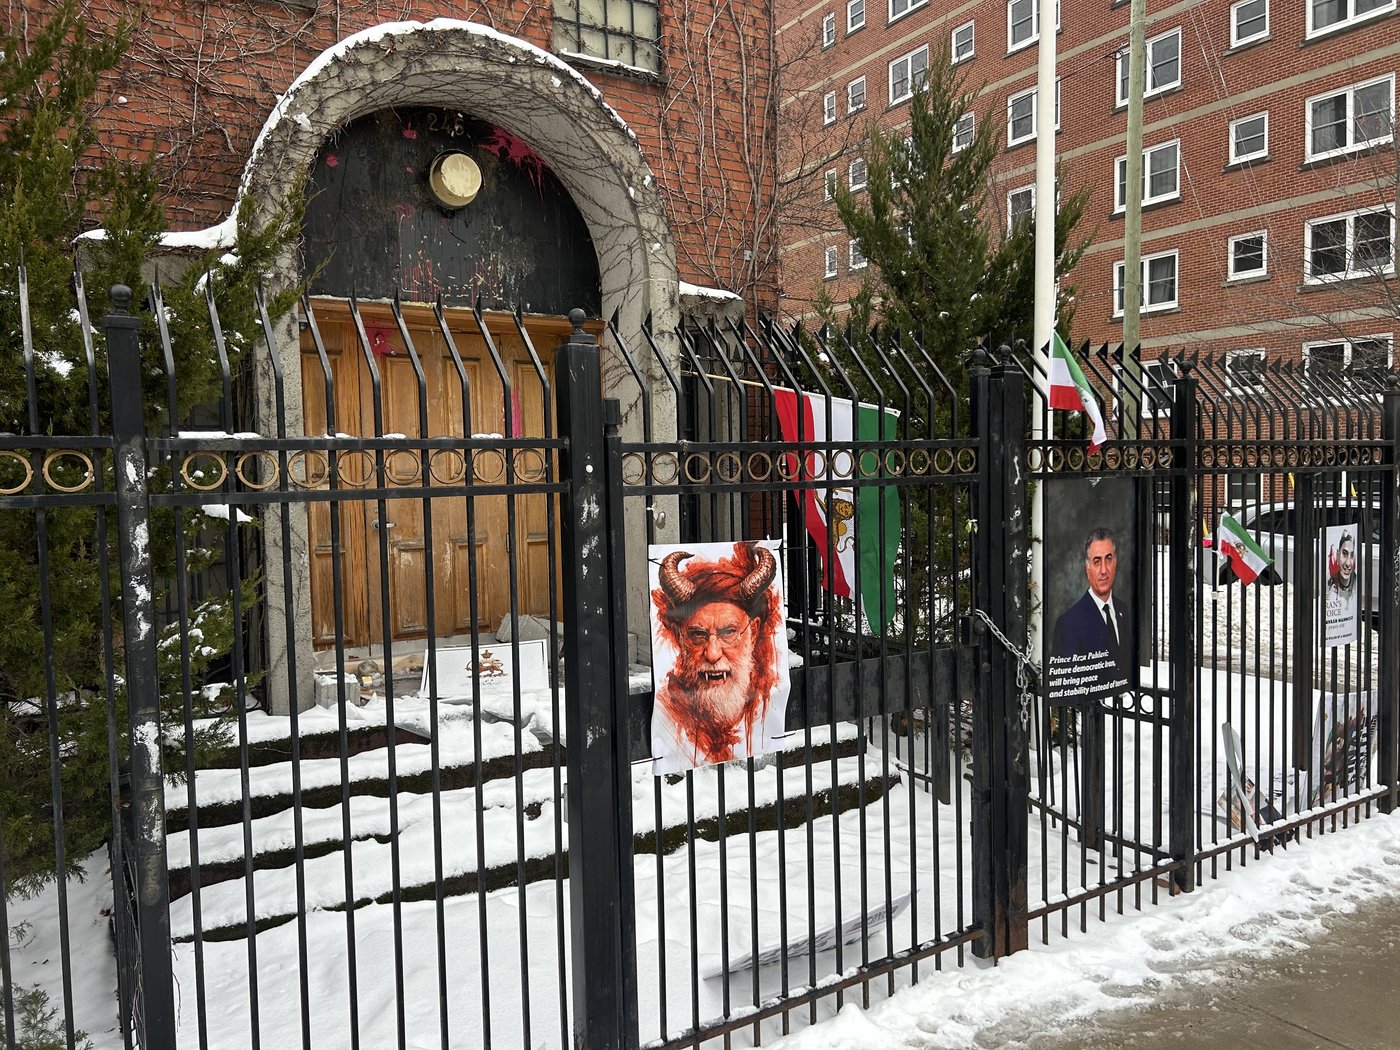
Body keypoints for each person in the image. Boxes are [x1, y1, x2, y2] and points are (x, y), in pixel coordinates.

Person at [650, 542, 787, 770]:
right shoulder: (669, 717)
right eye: (698, 634)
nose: (712, 654)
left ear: (753, 633)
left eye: (728, 632)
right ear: (680, 637)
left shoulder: (765, 704)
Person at [1048, 526, 1132, 701]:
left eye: (1108, 559)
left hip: (1121, 709)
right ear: (1087, 569)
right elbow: (1067, 686)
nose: (1104, 570)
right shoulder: (1069, 622)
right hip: (1090, 710)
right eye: (1097, 562)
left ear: (1116, 563)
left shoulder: (1122, 609)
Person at [1325, 531, 1358, 622]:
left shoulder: (1356, 582)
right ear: (1338, 555)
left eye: (1352, 556)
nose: (1348, 563)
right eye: (1345, 554)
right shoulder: (1329, 580)